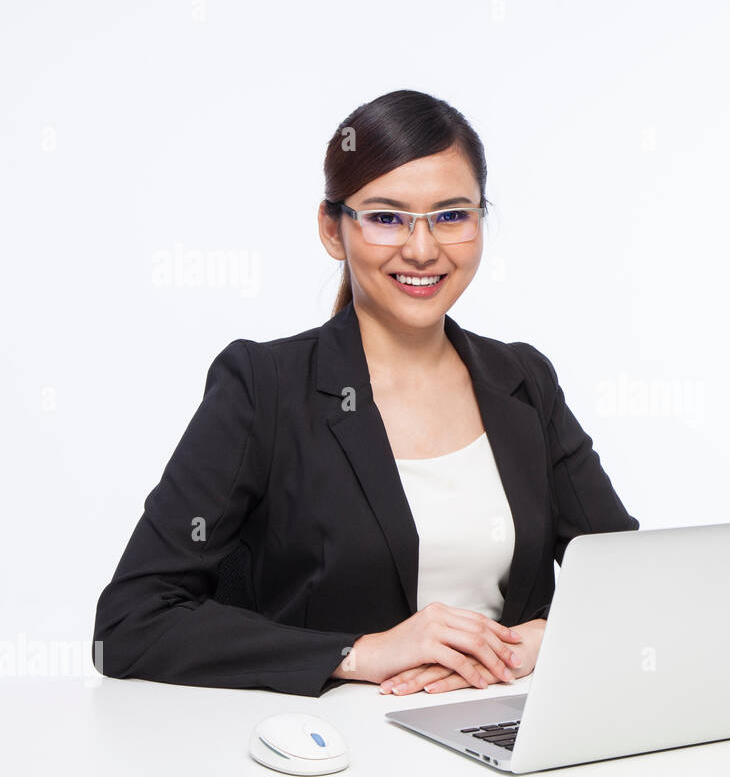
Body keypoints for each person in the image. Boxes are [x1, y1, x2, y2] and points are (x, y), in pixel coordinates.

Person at [93, 90, 639, 697]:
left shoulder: (524, 382)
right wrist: (359, 652)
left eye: (452, 215)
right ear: (333, 229)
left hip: (502, 746)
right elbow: (132, 620)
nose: (423, 248)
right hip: (335, 762)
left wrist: (548, 639)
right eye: (387, 217)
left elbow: (633, 584)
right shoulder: (263, 388)